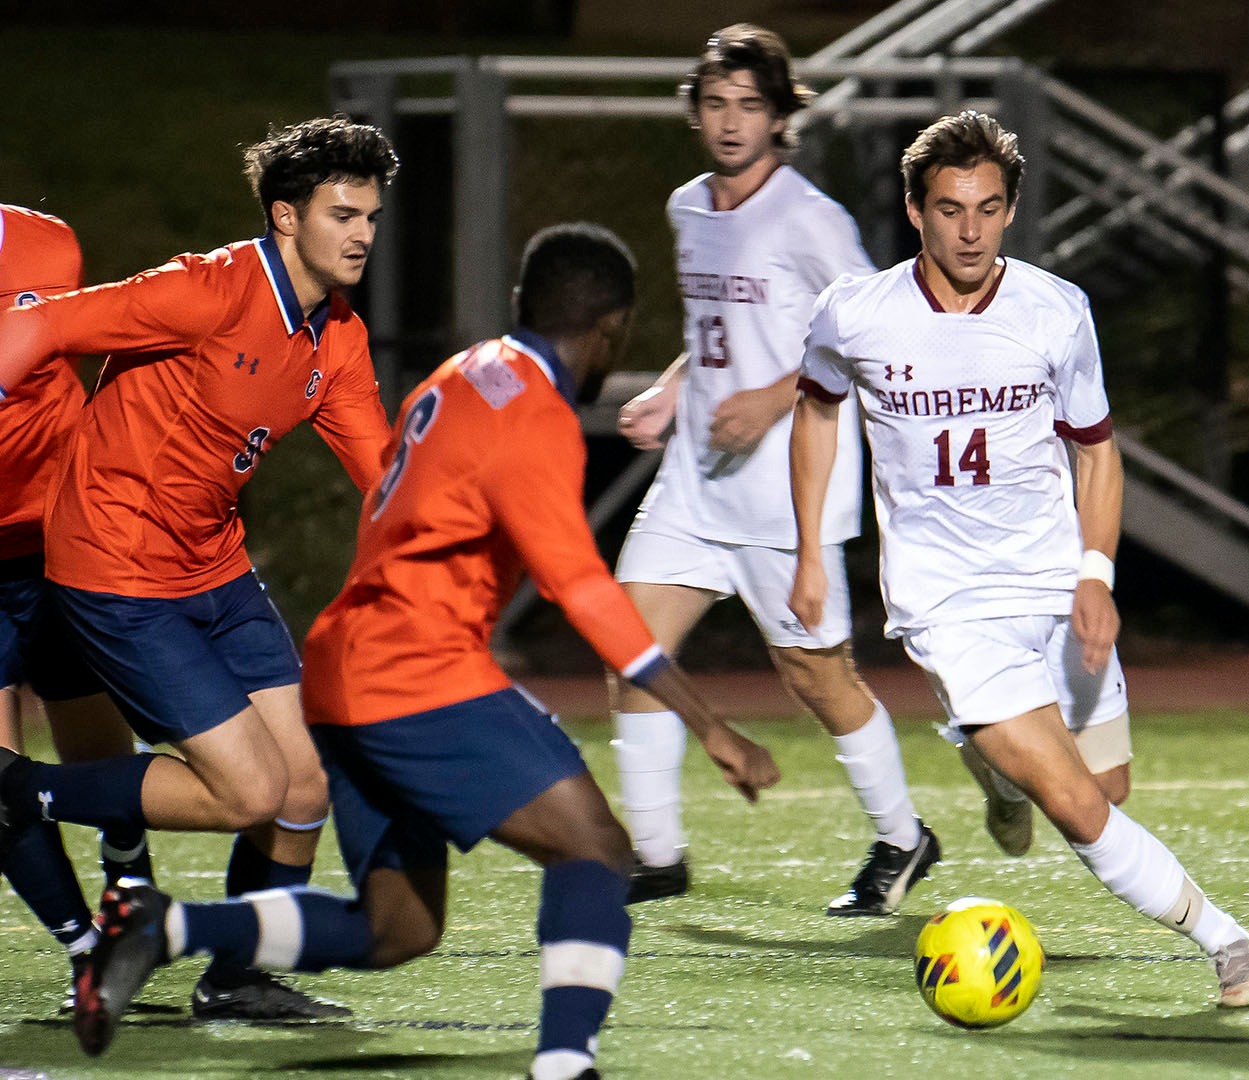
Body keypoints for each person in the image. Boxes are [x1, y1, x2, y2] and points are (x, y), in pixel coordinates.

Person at [71, 223, 781, 1080]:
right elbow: (582, 588)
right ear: (613, 331)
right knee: (594, 848)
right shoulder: (536, 415)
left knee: (396, 929)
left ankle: (164, 923)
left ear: (521, 305)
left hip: (340, 673)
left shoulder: (461, 374)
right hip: (416, 676)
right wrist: (710, 725)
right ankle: (564, 1064)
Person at [789, 111, 1249, 1008]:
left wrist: (1097, 575)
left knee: (1109, 786)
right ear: (914, 211)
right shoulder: (855, 313)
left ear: (1010, 211)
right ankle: (1231, 944)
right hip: (947, 605)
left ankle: (994, 772)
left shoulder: (1057, 310)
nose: (968, 229)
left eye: (986, 208)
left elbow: (1097, 451)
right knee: (1077, 807)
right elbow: (816, 408)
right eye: (948, 209)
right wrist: (812, 547)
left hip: (1056, 582)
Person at [0, 117, 401, 1020]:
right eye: (343, 214)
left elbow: (384, 475)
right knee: (247, 789)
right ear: (285, 218)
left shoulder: (335, 338)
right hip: (115, 564)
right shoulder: (207, 288)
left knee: (302, 789)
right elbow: (47, 324)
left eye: (372, 216)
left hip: (211, 564)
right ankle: (13, 791)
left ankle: (236, 977)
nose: (363, 235)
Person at [609, 23, 937, 916]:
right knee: (629, 646)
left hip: (788, 486)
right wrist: (678, 388)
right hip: (697, 476)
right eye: (715, 103)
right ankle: (657, 854)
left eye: (749, 105)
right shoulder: (687, 207)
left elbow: (871, 332)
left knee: (817, 678)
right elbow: (715, 327)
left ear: (779, 116)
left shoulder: (808, 217)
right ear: (695, 111)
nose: (730, 121)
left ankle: (905, 838)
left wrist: (772, 396)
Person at [0, 202, 153, 1003]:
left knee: (101, 753)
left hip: (66, 537)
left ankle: (134, 901)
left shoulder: (49, 242)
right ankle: (90, 956)